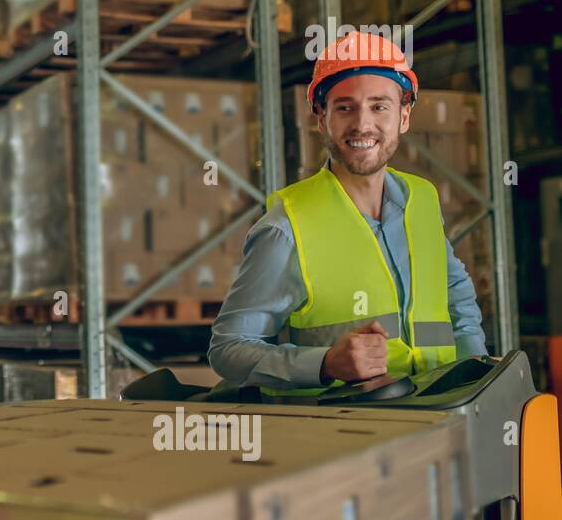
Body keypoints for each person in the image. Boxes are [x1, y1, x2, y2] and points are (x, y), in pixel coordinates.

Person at [208, 31, 487, 395]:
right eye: (344, 107)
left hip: (437, 418)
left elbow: (456, 297)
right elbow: (228, 349)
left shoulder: (421, 199)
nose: (362, 125)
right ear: (321, 118)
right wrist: (324, 364)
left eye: (379, 106)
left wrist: (474, 379)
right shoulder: (287, 227)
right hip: (345, 430)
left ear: (404, 116)